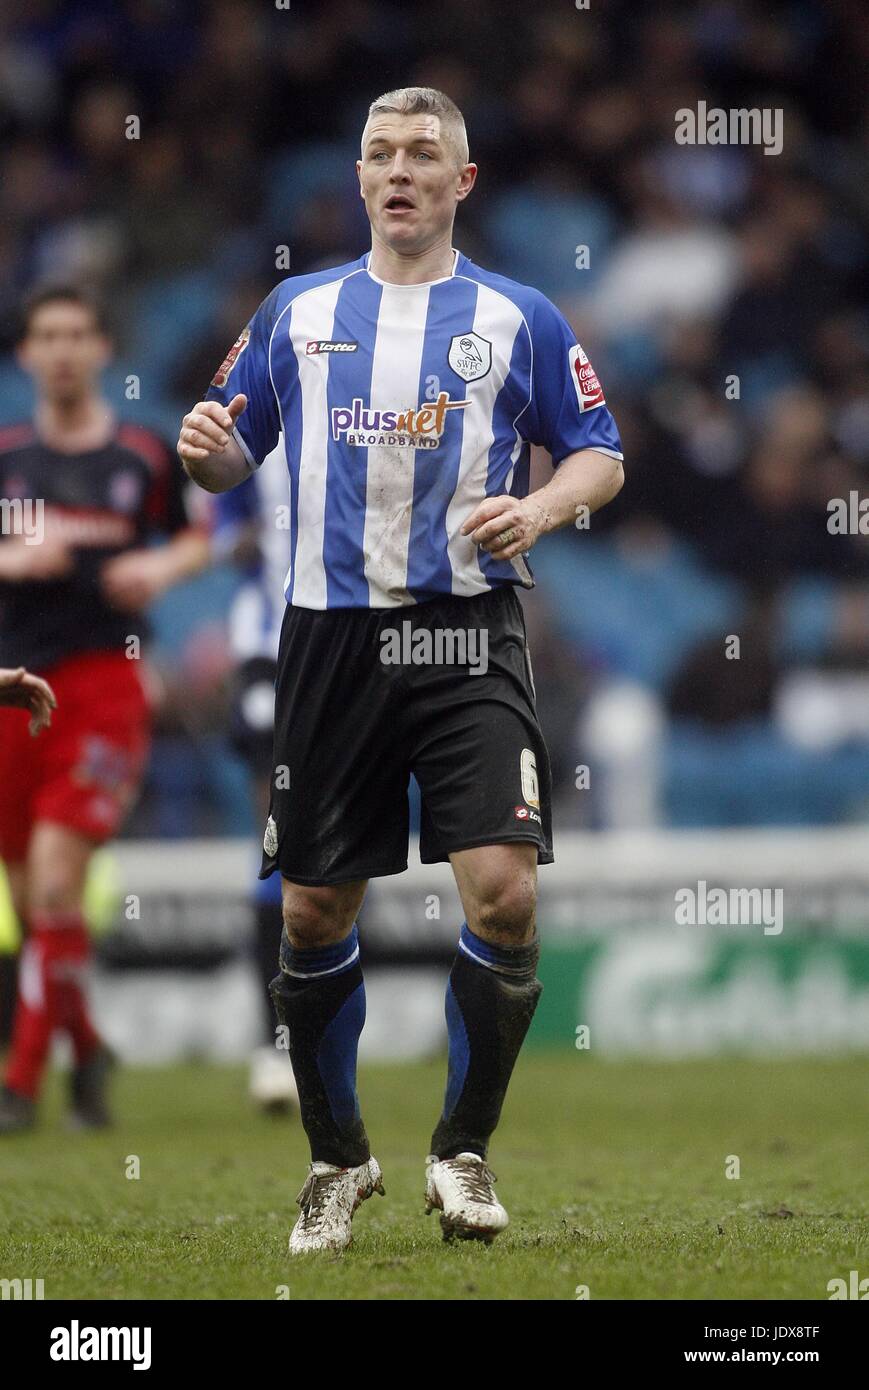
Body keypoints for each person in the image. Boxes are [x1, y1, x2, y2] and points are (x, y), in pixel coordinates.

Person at [178, 87, 624, 1253]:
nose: (399, 170)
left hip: (468, 634)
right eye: (379, 152)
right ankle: (337, 1161)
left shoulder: (518, 317)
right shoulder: (296, 309)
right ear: (359, 177)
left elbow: (600, 456)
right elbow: (230, 457)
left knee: (506, 890)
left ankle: (462, 1152)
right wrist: (212, 452)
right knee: (316, 907)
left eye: (423, 153)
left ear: (461, 182)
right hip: (329, 640)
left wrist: (537, 505)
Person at [0, 286, 209, 1134]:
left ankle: (18, 1088)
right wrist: (14, 558)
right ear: (24, 356)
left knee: (56, 882)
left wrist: (161, 572)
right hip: (14, 685)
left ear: (100, 350)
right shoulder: (7, 459)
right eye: (44, 336)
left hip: (103, 685)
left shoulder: (142, 455)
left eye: (75, 335)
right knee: (30, 903)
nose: (59, 350)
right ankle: (86, 1053)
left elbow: (200, 533)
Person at [211, 446, 299, 1113]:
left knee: (342, 838)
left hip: (360, 644)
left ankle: (313, 1036)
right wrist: (238, 538)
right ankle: (275, 1043)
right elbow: (218, 522)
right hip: (268, 649)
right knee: (278, 835)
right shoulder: (258, 419)